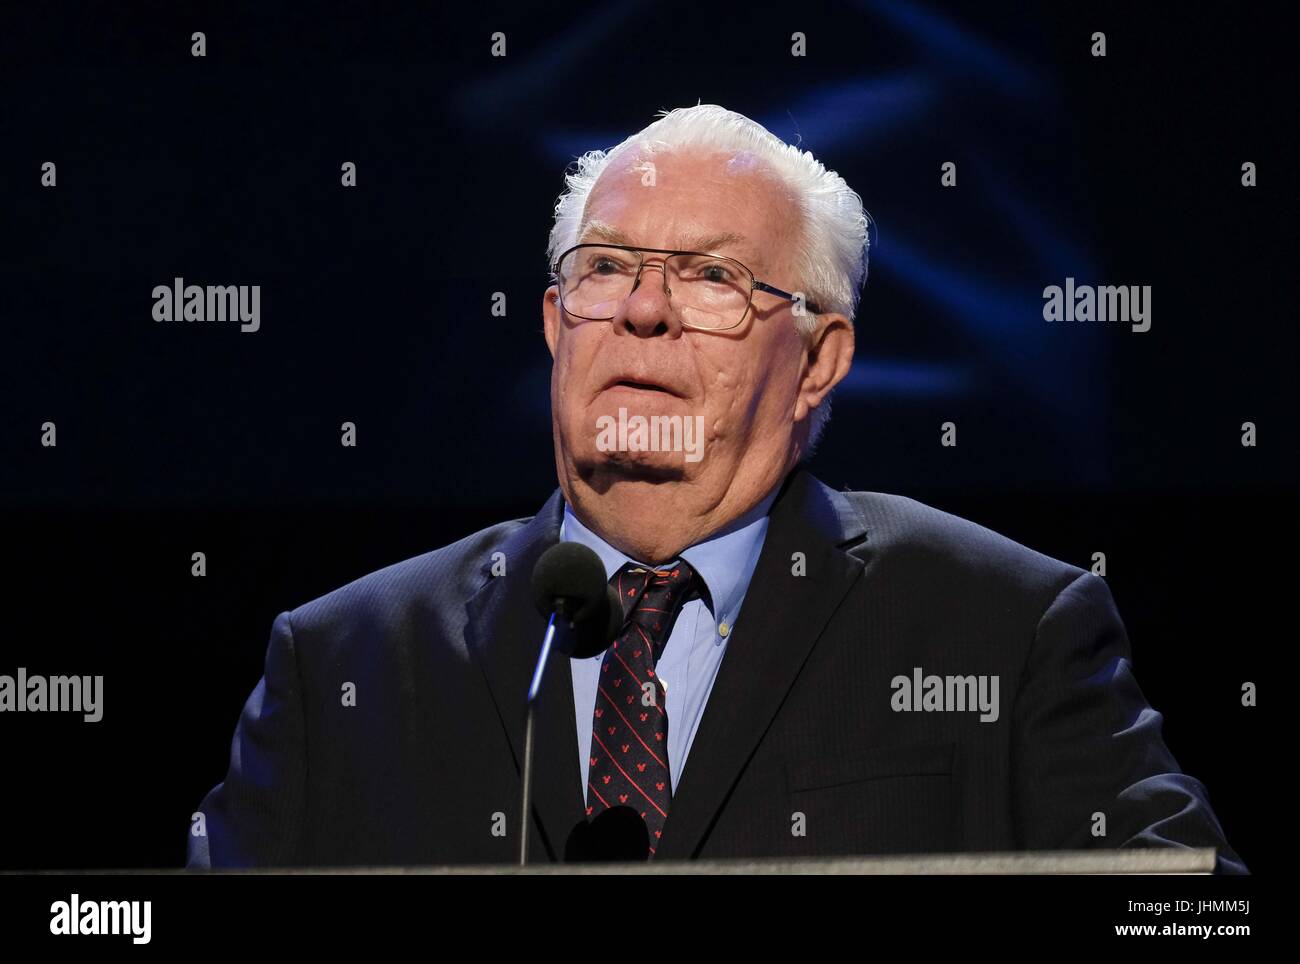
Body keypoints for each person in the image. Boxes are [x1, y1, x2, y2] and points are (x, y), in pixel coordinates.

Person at [187, 104, 1245, 872]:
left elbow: (1189, 910)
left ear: (820, 360)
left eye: (711, 278)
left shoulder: (1004, 629)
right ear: (559, 327)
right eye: (605, 267)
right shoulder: (341, 661)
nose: (644, 311)